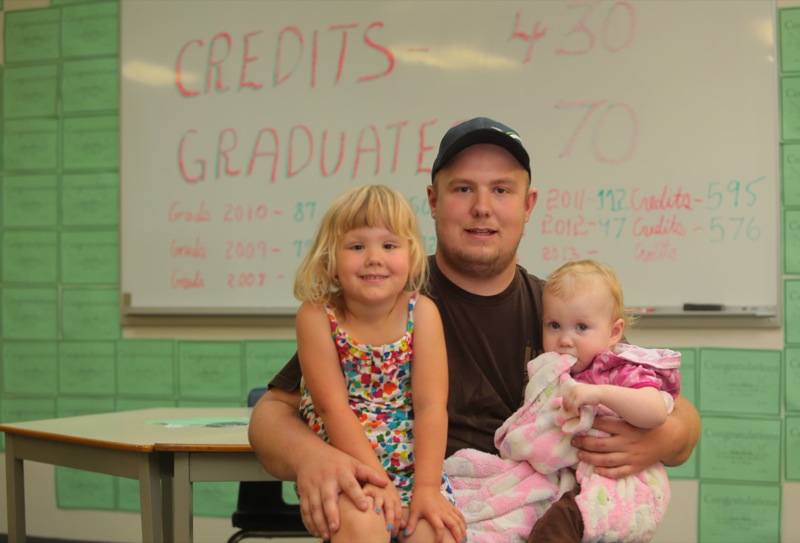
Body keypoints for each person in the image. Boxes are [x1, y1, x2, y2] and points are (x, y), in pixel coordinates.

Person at [248, 117, 702, 542]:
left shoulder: (560, 313)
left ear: (528, 205)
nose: (482, 208)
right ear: (433, 201)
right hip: (419, 511)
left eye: (502, 190)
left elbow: (672, 407)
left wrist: (666, 437)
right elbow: (271, 415)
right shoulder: (382, 299)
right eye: (463, 189)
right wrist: (313, 457)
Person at [445, 259, 681, 542]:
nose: (565, 340)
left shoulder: (620, 368)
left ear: (614, 332)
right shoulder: (552, 371)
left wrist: (600, 394)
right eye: (554, 325)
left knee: (557, 528)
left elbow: (655, 412)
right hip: (561, 474)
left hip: (609, 480)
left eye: (581, 327)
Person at [292, 184, 466, 543]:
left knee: (435, 532)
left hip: (413, 464)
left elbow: (431, 406)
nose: (374, 257)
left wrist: (427, 489)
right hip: (348, 464)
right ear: (330, 259)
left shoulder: (423, 313)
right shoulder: (316, 316)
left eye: (389, 245)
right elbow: (331, 407)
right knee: (362, 525)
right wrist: (377, 481)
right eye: (357, 246)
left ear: (411, 256)